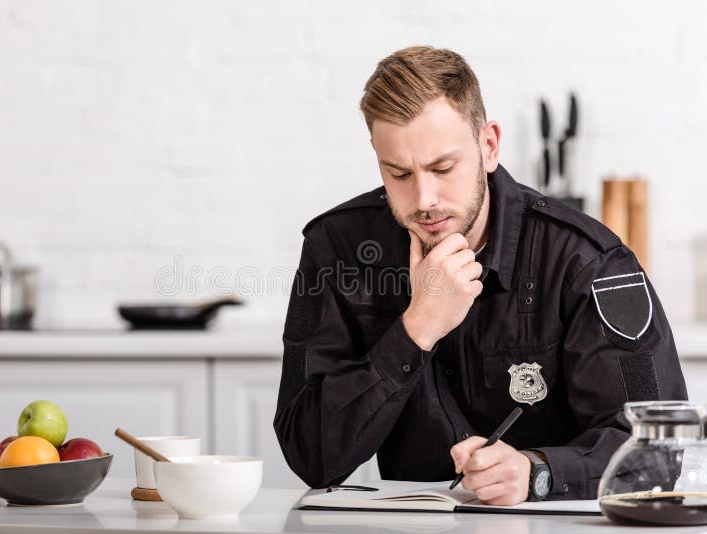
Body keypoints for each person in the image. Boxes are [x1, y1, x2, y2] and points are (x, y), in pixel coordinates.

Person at [273, 46, 687, 505]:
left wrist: (537, 472)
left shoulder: (588, 261)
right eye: (399, 173)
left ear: (488, 146)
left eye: (442, 168)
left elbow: (658, 452)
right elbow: (309, 456)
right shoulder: (336, 250)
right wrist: (416, 329)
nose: (423, 198)